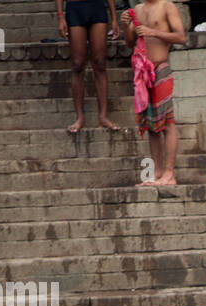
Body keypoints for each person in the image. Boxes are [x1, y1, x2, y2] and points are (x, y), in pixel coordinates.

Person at [125, 0, 187, 186]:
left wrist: (153, 32)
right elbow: (130, 43)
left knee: (167, 122)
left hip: (161, 69)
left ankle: (169, 174)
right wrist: (127, 25)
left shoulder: (167, 6)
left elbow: (181, 37)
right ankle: (156, 172)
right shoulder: (138, 9)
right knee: (151, 125)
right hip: (143, 72)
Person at [57, 0, 122, 134]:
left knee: (100, 62)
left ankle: (103, 116)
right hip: (75, 8)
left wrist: (114, 18)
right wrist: (60, 17)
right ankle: (79, 117)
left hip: (97, 7)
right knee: (78, 64)